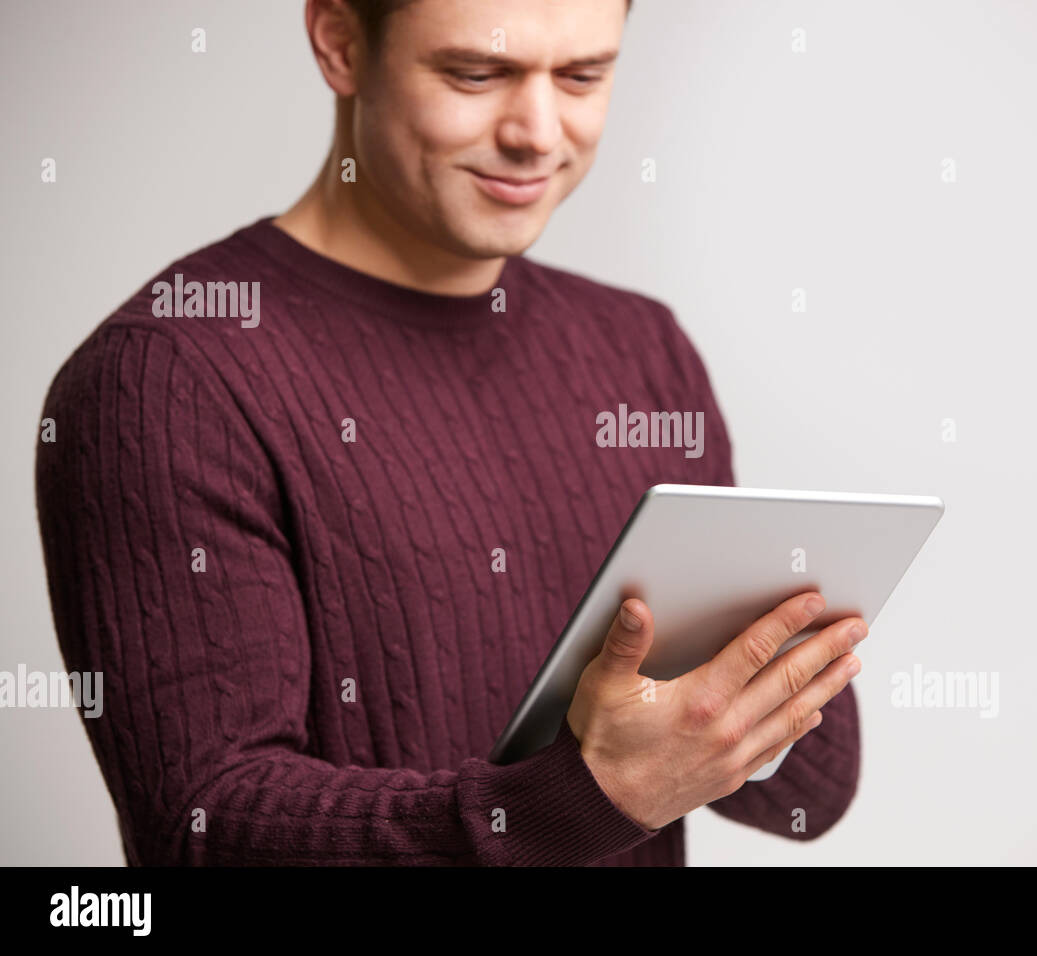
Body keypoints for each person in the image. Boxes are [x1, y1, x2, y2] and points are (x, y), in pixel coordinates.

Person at [34, 0, 864, 866]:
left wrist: (774, 683)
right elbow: (202, 826)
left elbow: (809, 791)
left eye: (582, 76)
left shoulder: (641, 349)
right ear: (341, 43)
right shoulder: (169, 378)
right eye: (477, 74)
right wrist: (585, 799)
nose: (538, 134)